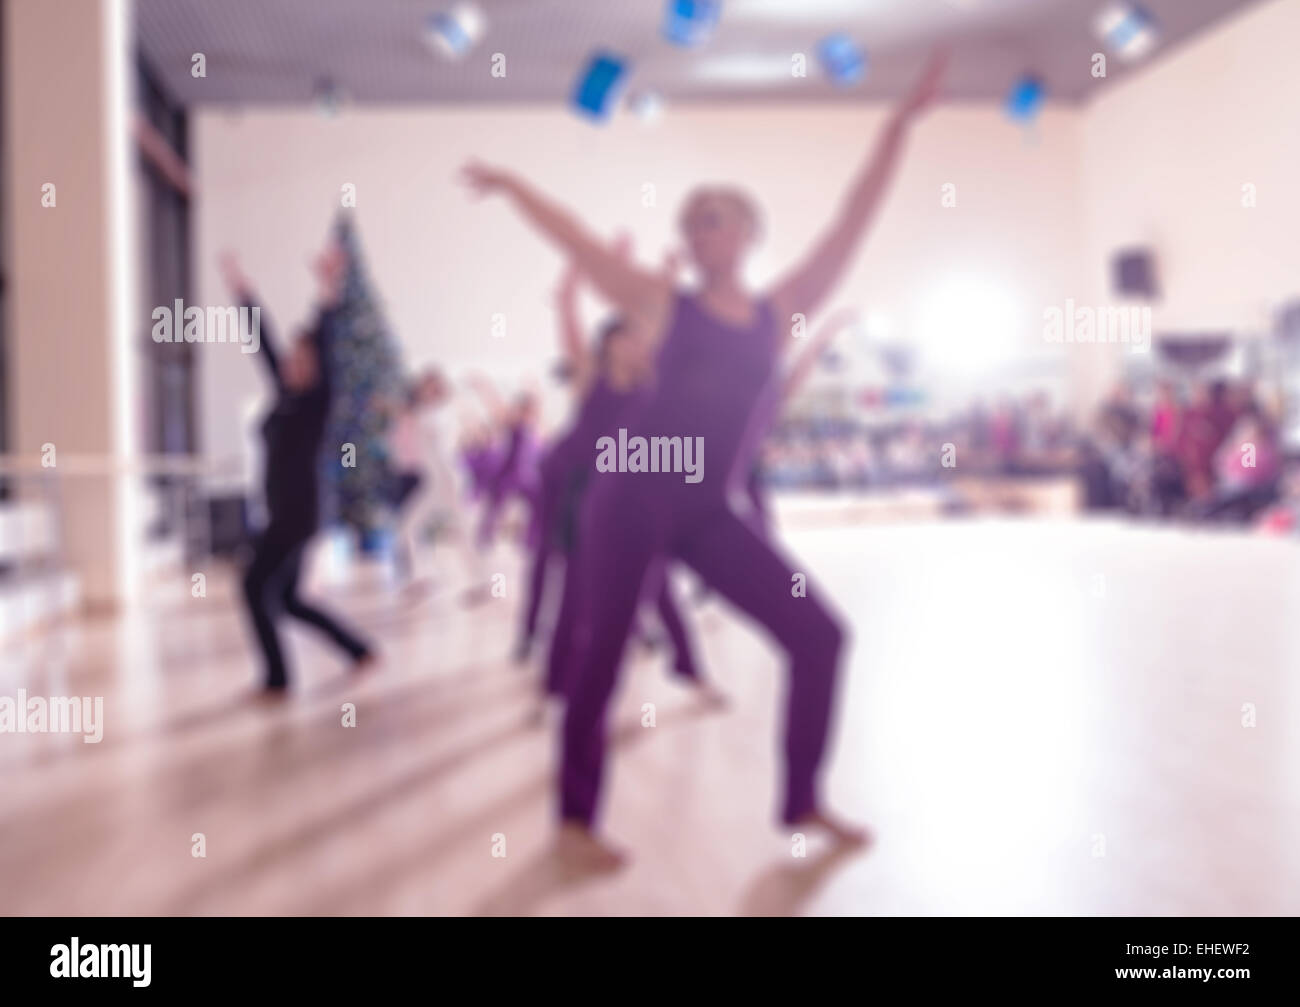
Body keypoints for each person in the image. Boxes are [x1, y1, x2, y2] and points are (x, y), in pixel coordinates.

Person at [463, 50, 946, 869]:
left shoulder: (783, 305)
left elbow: (851, 219)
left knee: (820, 634)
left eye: (716, 214)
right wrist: (514, 189)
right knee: (602, 650)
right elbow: (578, 240)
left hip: (710, 508)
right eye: (692, 218)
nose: (700, 226)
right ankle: (574, 821)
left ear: (750, 233)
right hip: (633, 496)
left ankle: (803, 800)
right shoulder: (663, 303)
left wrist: (897, 127)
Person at [221, 248, 376, 694]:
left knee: (253, 588)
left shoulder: (317, 403)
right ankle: (359, 650)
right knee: (286, 599)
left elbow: (326, 343)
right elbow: (264, 342)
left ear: (317, 368)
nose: (292, 363)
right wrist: (242, 292)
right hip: (286, 513)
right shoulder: (286, 393)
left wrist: (328, 289)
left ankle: (278, 680)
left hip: (298, 514)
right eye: (292, 358)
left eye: (302, 360)